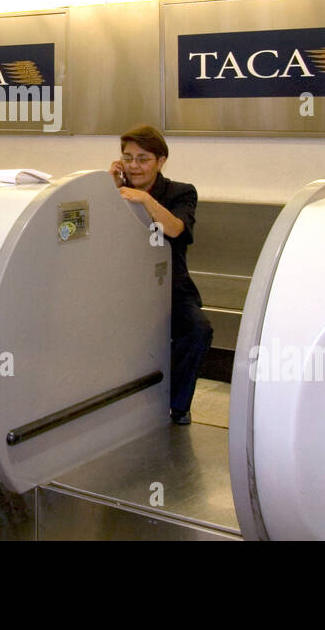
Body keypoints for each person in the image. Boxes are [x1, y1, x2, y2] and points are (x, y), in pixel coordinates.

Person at [109, 124, 212, 426]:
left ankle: (174, 406)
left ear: (160, 161)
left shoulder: (181, 192)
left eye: (143, 159)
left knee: (197, 330)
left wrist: (145, 199)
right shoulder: (112, 192)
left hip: (169, 288)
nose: (134, 166)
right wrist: (109, 187)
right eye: (128, 158)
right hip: (121, 289)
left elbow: (177, 229)